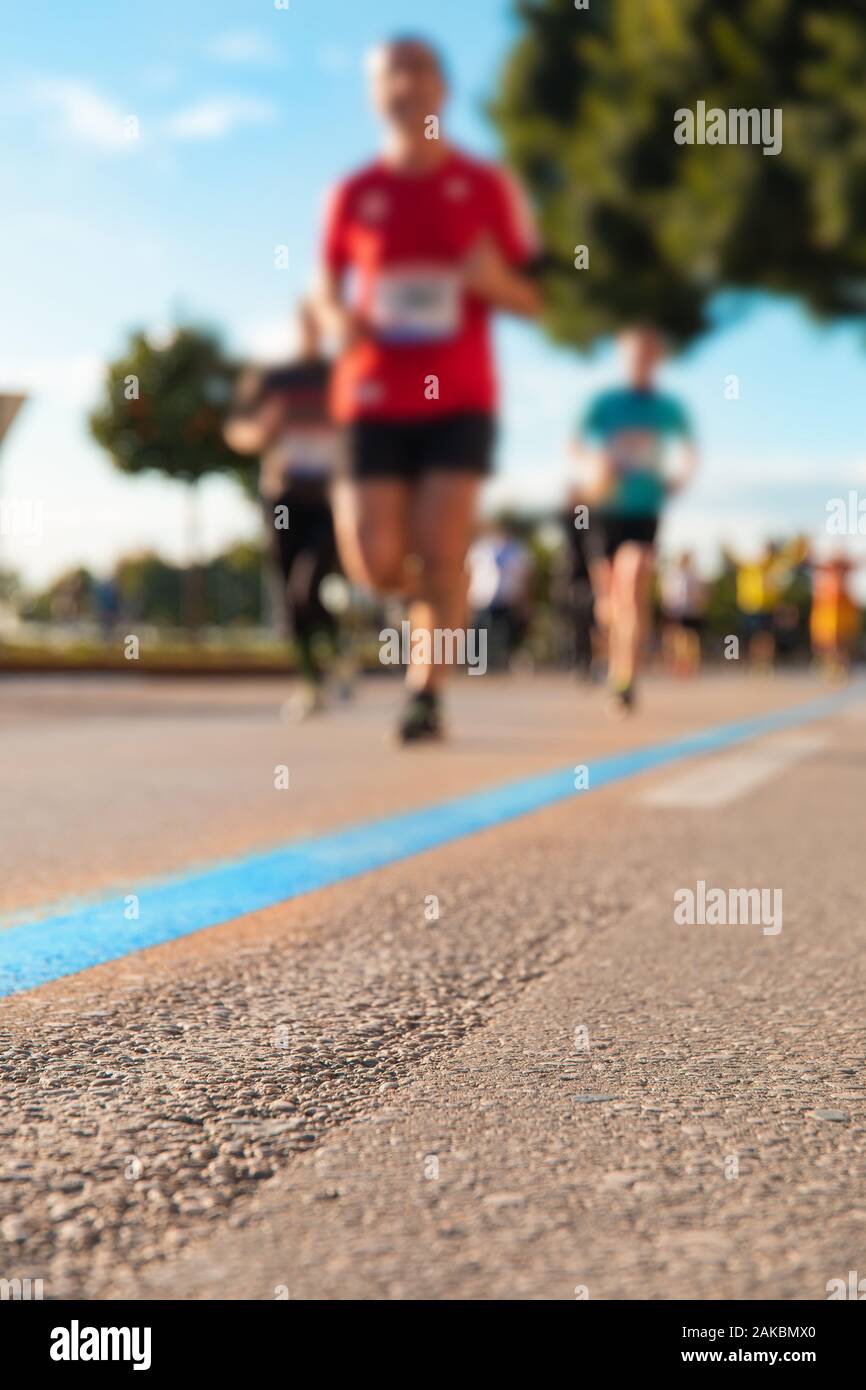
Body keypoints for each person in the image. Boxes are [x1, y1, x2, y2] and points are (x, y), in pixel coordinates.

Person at [314, 35, 540, 742]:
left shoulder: (485, 185)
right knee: (374, 558)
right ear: (375, 93)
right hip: (373, 395)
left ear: (442, 89)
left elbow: (538, 297)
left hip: (460, 398)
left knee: (443, 548)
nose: (405, 86)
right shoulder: (355, 194)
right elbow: (325, 288)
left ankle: (425, 689)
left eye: (418, 71)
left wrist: (495, 284)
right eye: (389, 75)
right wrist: (335, 320)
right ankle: (438, 604)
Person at [224, 302, 343, 718]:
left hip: (330, 500)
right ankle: (310, 684)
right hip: (282, 500)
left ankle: (337, 651)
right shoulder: (272, 377)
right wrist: (260, 432)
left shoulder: (340, 375)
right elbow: (236, 430)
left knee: (308, 586)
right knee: (289, 594)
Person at [571, 326, 697, 713]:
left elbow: (690, 450)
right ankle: (609, 662)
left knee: (635, 579)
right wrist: (596, 463)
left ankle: (625, 678)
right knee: (609, 602)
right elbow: (575, 444)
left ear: (656, 360)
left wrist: (679, 478)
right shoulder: (605, 403)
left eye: (648, 355)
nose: (641, 362)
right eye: (634, 355)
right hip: (605, 509)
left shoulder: (668, 408)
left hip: (644, 510)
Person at [467, 518, 533, 672]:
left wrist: (524, 599)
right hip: (482, 598)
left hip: (507, 598)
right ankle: (477, 662)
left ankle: (505, 661)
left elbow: (526, 577)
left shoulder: (517, 551)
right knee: (479, 631)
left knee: (508, 631)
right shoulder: (480, 550)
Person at [810, 552, 860, 679]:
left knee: (843, 641)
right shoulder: (828, 573)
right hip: (829, 610)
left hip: (842, 610)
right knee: (830, 642)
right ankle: (832, 666)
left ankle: (841, 666)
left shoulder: (844, 571)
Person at [660, 551, 706, 677]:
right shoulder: (673, 575)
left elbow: (699, 593)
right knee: (678, 639)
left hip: (691, 611)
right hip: (677, 610)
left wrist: (699, 605)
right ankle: (681, 663)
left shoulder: (693, 575)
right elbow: (667, 593)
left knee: (691, 639)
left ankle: (691, 664)